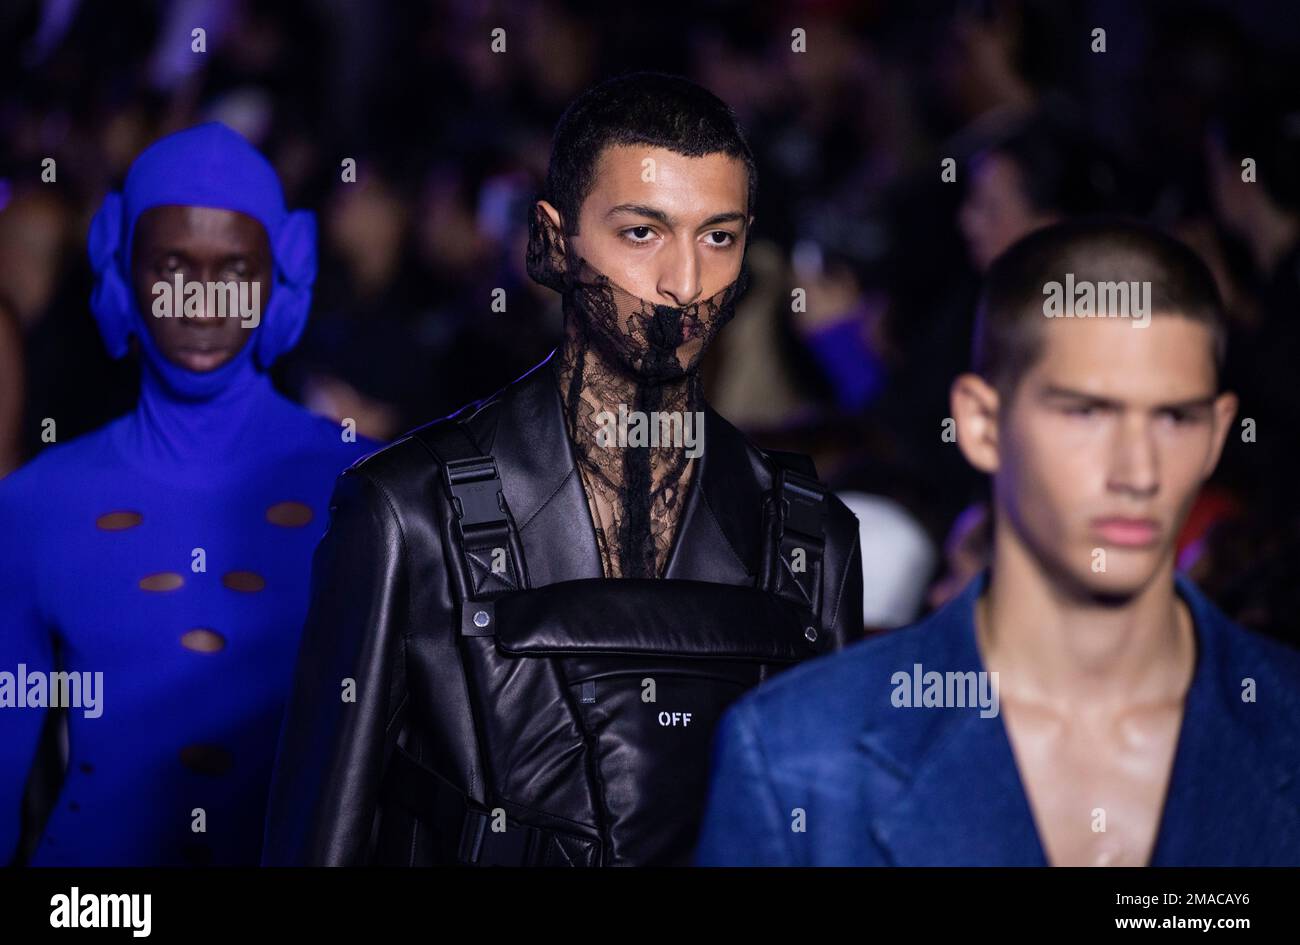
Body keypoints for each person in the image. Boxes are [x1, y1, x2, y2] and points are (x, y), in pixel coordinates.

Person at [262, 72, 864, 866]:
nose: (685, 284)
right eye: (642, 233)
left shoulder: (810, 536)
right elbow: (323, 838)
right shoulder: (407, 513)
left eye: (718, 237)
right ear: (552, 241)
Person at [695, 219, 1300, 866]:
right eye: (1085, 412)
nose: (1138, 471)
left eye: (1175, 417)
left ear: (1217, 435)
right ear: (982, 424)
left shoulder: (1283, 719)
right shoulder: (799, 756)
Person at [0, 122, 378, 866]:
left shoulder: (371, 488)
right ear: (122, 271)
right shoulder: (35, 503)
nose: (202, 298)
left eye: (234, 267)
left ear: (281, 276)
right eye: (172, 263)